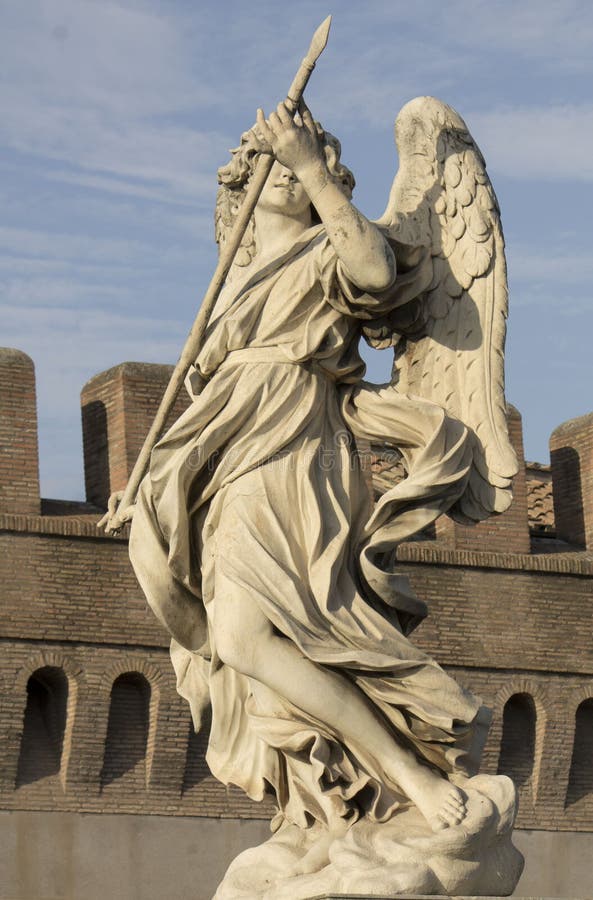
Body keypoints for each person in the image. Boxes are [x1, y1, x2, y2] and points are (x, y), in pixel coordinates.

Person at [128, 100, 491, 870]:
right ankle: (319, 801)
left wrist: (311, 172)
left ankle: (413, 779)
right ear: (244, 187)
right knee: (239, 638)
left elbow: (372, 271)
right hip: (224, 454)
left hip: (297, 443)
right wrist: (158, 487)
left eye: (310, 153)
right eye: (273, 163)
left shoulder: (332, 247)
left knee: (258, 631)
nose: (290, 169)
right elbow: (203, 392)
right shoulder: (232, 282)